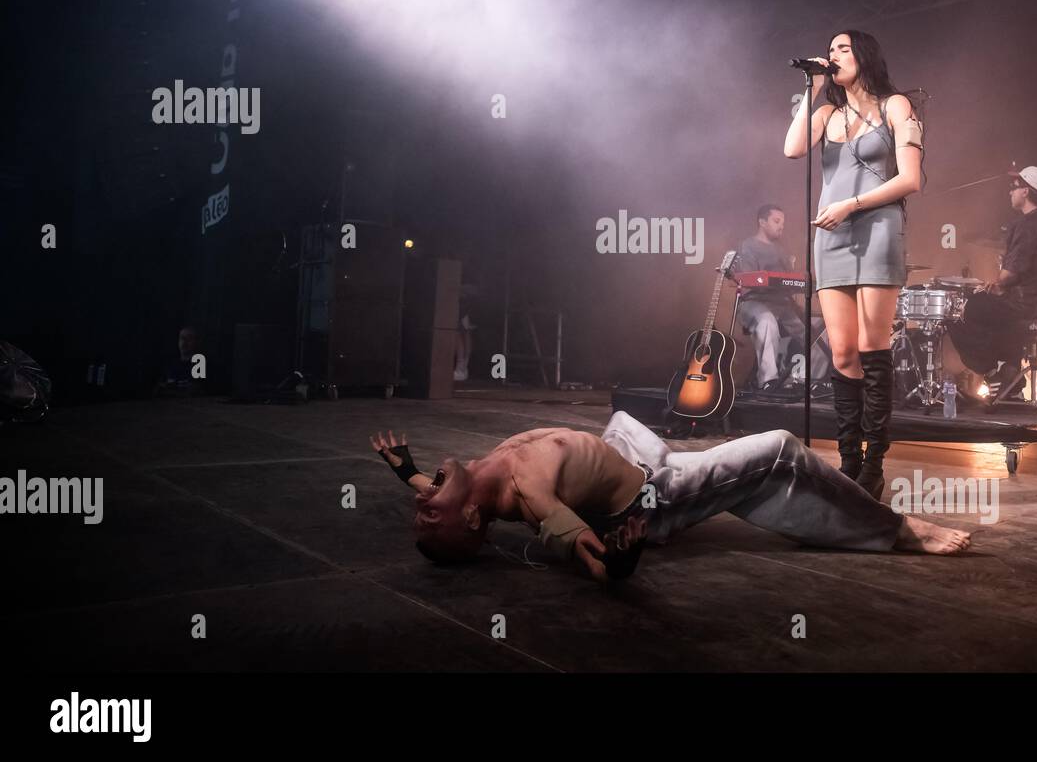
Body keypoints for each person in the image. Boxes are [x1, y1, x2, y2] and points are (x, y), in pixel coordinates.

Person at [370, 411, 971, 583]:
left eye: (420, 504)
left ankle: (658, 453)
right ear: (472, 516)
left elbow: (432, 493)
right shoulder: (529, 495)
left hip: (625, 454)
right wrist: (615, 560)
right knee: (781, 447)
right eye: (430, 514)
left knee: (622, 419)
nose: (421, 502)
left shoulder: (463, 482)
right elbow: (574, 540)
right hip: (654, 497)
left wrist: (408, 472)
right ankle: (890, 529)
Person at [783, 30, 924, 500]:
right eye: (830, 49)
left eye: (843, 49)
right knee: (841, 353)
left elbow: (911, 179)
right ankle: (848, 460)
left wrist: (852, 204)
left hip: (878, 229)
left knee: (871, 347)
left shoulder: (896, 107)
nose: (833, 55)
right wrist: (816, 87)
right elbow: (792, 149)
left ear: (864, 55)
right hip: (832, 237)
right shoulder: (826, 112)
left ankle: (875, 463)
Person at [948, 166, 1037, 394]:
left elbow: (1010, 274)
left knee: (963, 310)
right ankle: (1010, 369)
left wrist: (997, 284)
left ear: (1026, 191)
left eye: (1014, 187)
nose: (1010, 192)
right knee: (991, 307)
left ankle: (995, 374)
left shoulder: (1027, 225)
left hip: (1030, 305)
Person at [732, 204, 809, 390]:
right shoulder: (748, 246)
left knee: (813, 331)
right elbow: (750, 279)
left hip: (781, 304)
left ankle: (809, 379)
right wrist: (768, 280)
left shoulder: (781, 250)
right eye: (776, 221)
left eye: (783, 222)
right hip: (753, 303)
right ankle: (768, 381)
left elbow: (790, 281)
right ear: (762, 222)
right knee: (767, 322)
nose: (781, 226)